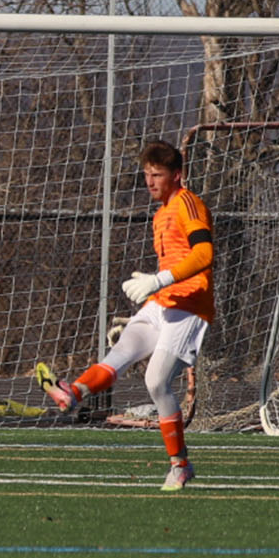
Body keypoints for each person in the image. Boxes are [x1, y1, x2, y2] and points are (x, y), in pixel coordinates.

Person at [39, 139, 212, 491]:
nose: (150, 182)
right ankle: (72, 394)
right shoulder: (162, 211)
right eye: (146, 174)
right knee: (118, 356)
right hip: (160, 304)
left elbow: (204, 253)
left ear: (176, 175)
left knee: (155, 382)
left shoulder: (187, 203)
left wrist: (160, 278)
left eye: (157, 175)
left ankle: (180, 465)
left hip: (189, 308)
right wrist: (157, 284)